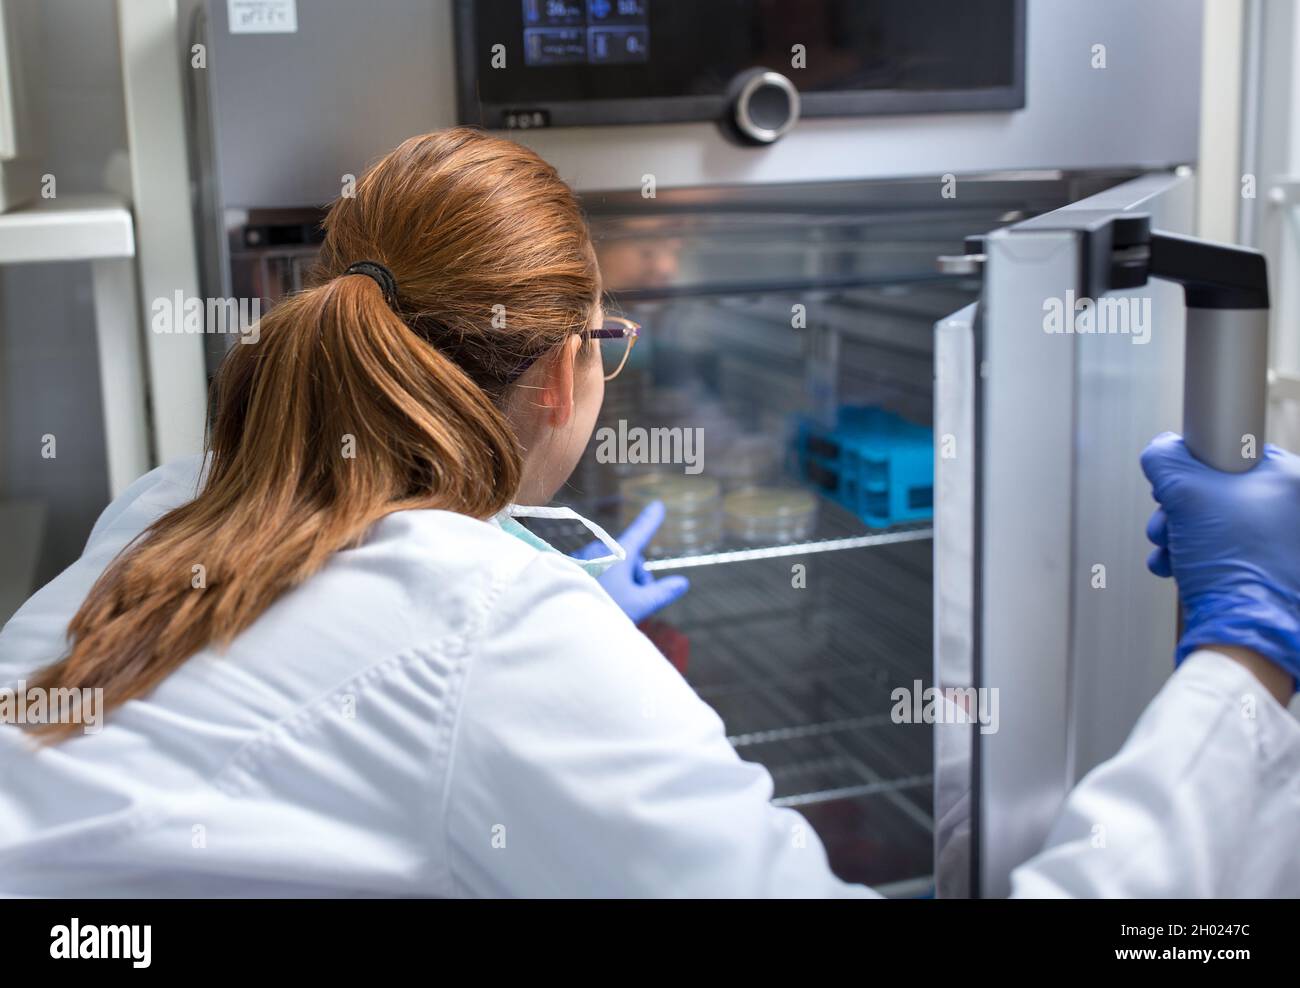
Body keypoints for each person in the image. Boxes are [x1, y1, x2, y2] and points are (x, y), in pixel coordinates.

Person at [0, 129, 1296, 897]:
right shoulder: (496, 636)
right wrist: (1246, 655)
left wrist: (504, 603)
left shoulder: (166, 502)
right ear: (568, 372)